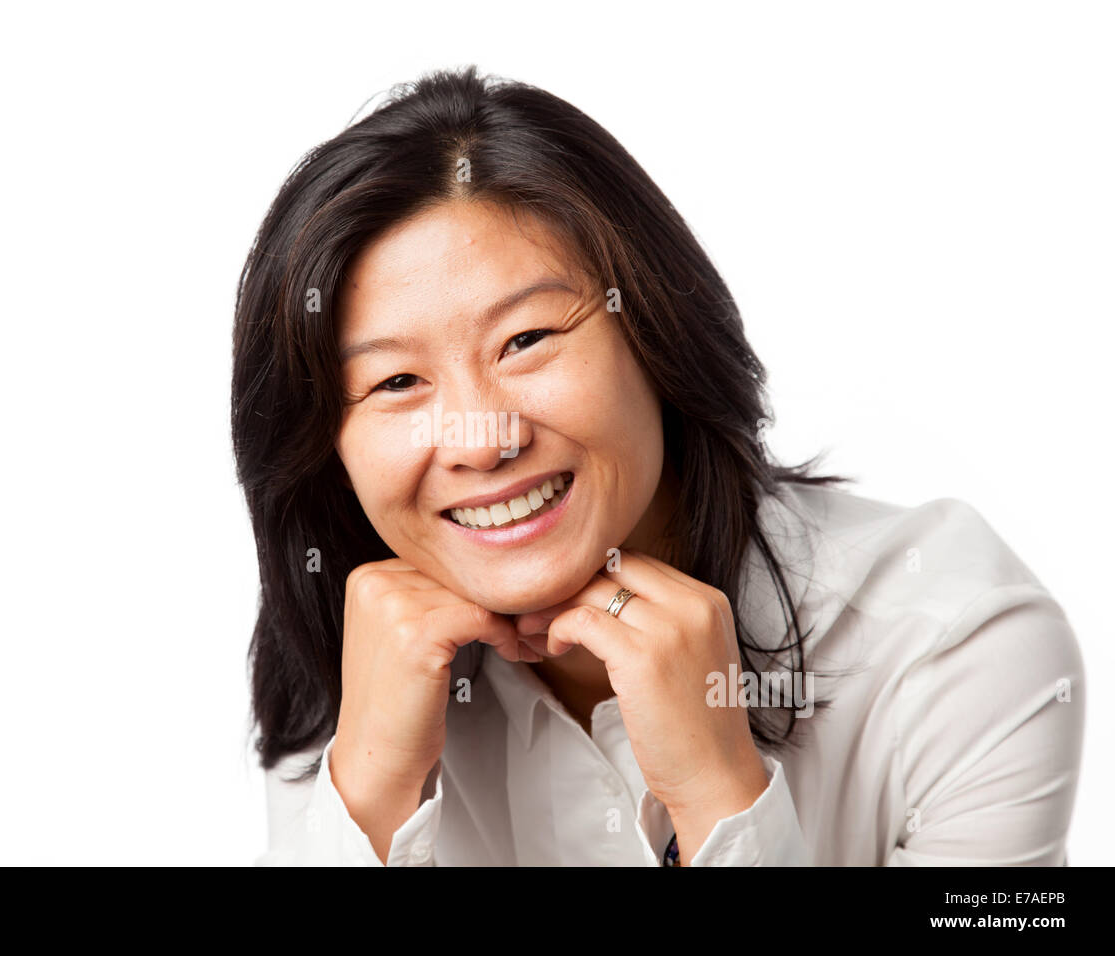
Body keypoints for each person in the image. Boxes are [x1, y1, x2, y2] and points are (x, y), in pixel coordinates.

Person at [231, 66, 1084, 866]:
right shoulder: (352, 657)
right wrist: (369, 796)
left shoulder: (960, 646)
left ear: (655, 337)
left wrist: (718, 793)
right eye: (396, 382)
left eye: (526, 340)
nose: (479, 439)